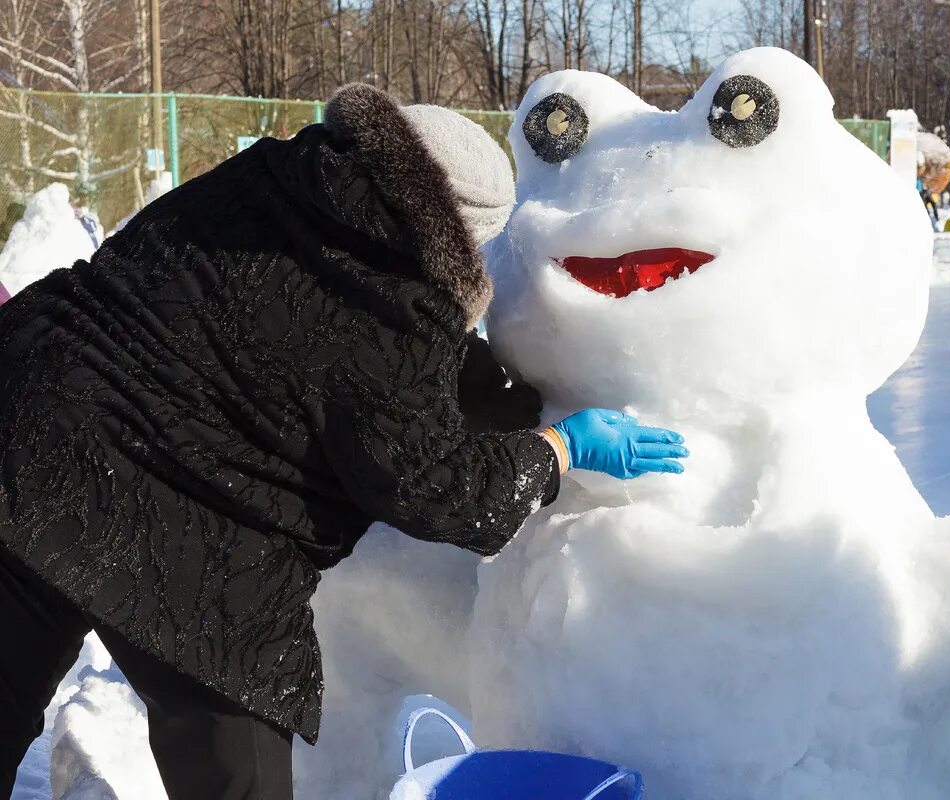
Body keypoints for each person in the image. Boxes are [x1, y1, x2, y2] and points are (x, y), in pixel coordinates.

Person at [0, 83, 688, 799]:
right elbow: (438, 491)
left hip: (25, 419)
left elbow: (312, 334)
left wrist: (498, 394)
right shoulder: (393, 314)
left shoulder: (272, 176)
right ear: (455, 234)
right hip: (174, 533)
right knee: (240, 776)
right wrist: (559, 448)